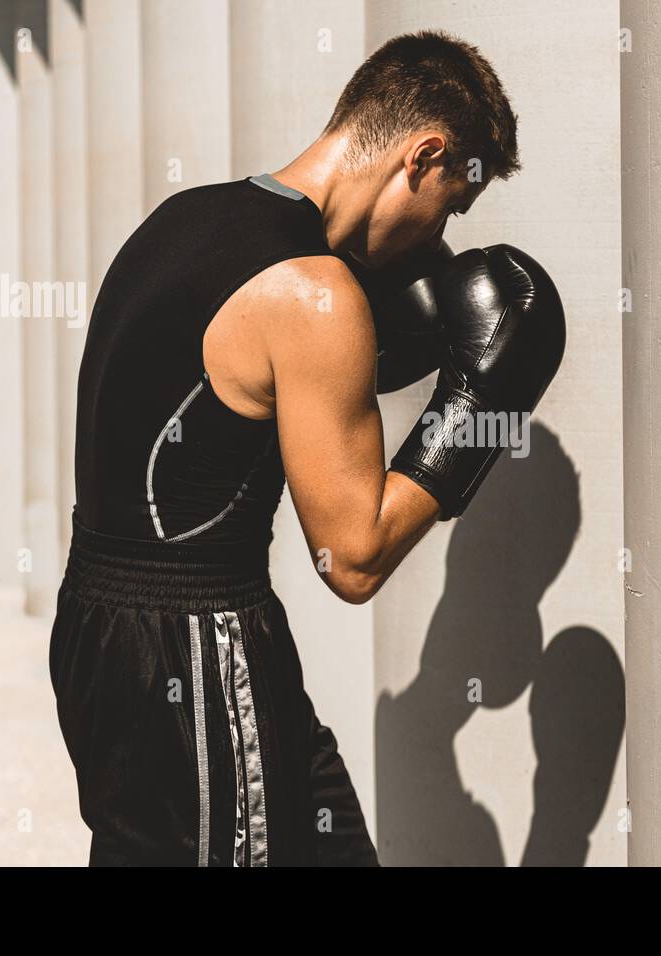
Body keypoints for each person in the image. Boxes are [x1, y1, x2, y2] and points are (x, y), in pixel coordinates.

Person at [49, 29, 565, 867]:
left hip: (108, 632)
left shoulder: (184, 219)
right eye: (452, 207)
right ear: (422, 156)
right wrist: (476, 408)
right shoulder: (314, 295)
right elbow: (351, 557)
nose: (440, 242)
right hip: (198, 653)